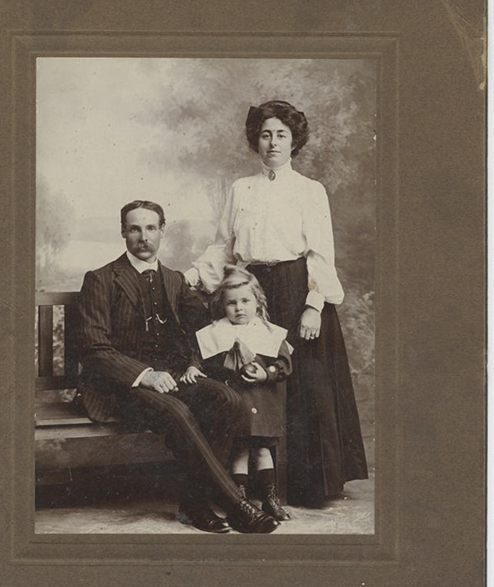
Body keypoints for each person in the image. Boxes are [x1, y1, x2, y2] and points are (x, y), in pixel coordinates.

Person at [185, 101, 369, 508]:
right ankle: (252, 488)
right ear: (256, 140)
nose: (272, 142)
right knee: (250, 381)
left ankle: (306, 487)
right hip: (252, 290)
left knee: (301, 383)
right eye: (266, 134)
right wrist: (194, 276)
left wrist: (313, 305)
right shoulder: (240, 189)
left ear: (294, 141)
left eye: (281, 135)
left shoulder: (310, 191)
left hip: (296, 287)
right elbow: (224, 246)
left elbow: (321, 253)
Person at [76, 199, 280, 533]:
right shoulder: (101, 279)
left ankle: (194, 503)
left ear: (162, 231)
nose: (144, 237)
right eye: (135, 229)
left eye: (151, 228)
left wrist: (191, 363)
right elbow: (94, 349)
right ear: (123, 233)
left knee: (226, 400)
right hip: (119, 387)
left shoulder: (173, 280)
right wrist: (146, 376)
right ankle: (235, 505)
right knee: (177, 412)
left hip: (168, 379)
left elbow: (195, 331)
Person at [196, 265, 292, 522]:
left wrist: (267, 373)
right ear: (223, 305)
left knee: (262, 450)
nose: (239, 308)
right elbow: (206, 362)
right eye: (232, 303)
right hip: (237, 405)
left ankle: (270, 500)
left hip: (263, 403)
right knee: (239, 451)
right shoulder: (217, 332)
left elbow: (284, 364)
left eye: (245, 301)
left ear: (258, 302)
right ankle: (239, 500)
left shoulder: (269, 332)